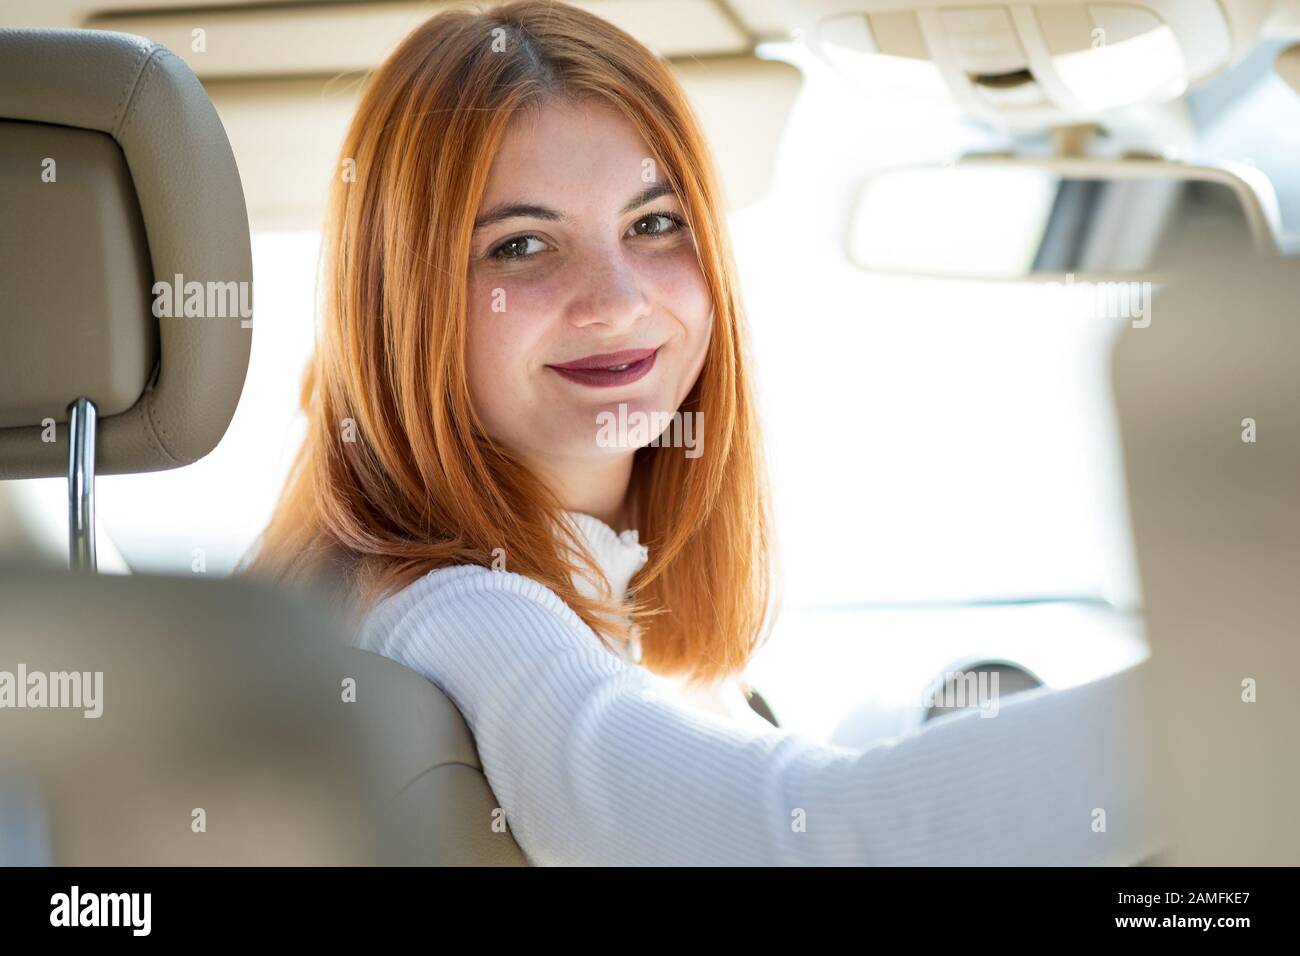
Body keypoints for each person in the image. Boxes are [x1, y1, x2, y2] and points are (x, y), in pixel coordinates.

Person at [246, 0, 1157, 866]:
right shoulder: (459, 614)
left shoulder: (565, 590)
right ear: (400, 302)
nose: (615, 302)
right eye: (521, 245)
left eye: (653, 225)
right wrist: (1227, 716)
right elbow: (810, 840)